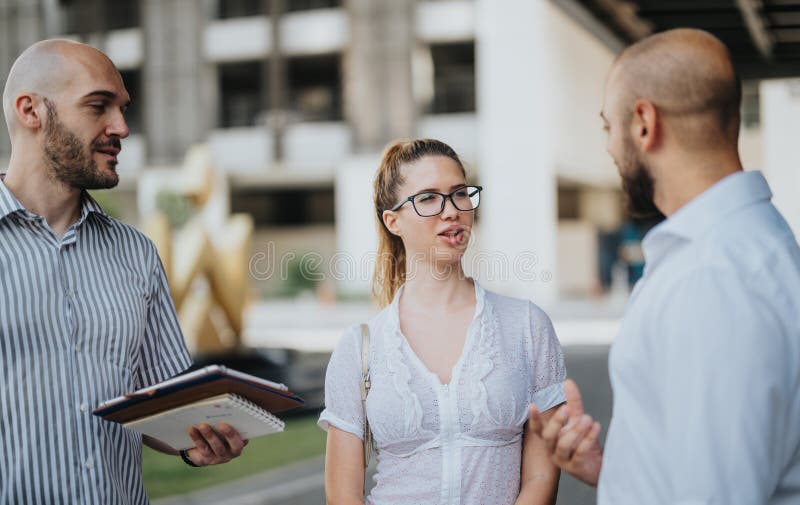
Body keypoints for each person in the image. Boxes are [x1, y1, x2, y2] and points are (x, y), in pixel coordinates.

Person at [529, 28, 800, 504]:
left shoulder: (712, 276)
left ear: (643, 123)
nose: (609, 148)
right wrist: (613, 473)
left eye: (608, 128)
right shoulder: (745, 246)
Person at [0, 40, 247, 504]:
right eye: (99, 106)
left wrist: (195, 443)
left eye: (122, 109)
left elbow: (162, 406)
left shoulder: (137, 254)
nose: (122, 128)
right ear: (31, 111)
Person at [319, 138, 567, 504]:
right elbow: (342, 496)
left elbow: (542, 475)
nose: (451, 210)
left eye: (460, 194)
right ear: (393, 221)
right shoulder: (359, 347)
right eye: (428, 198)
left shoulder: (527, 327)